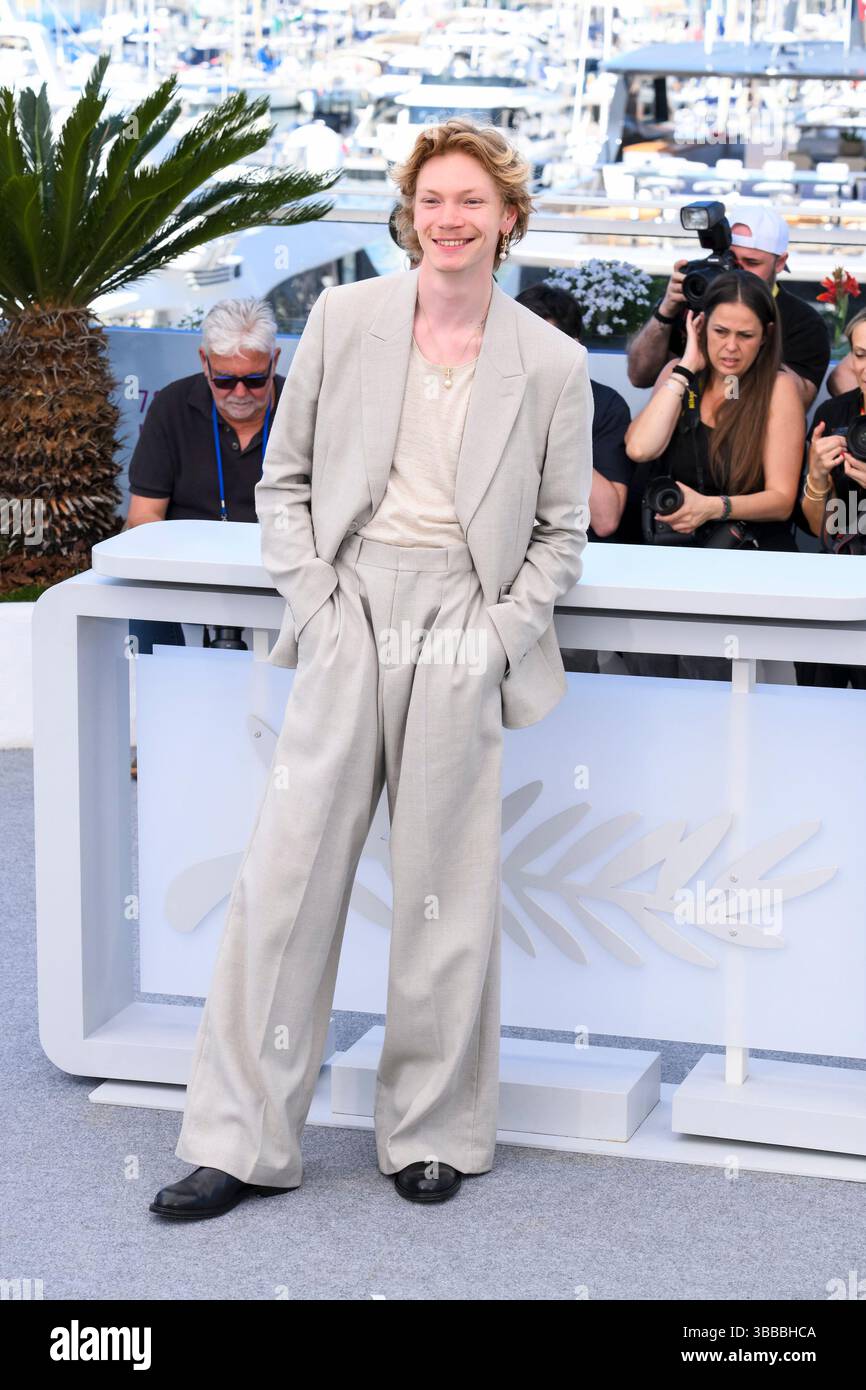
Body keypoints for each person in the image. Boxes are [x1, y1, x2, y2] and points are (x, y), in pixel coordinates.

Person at [149, 117, 594, 1219]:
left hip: (461, 614)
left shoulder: (545, 360)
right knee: (284, 879)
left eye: (470, 203)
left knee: (446, 885)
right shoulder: (344, 321)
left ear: (506, 219)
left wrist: (491, 639)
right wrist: (319, 600)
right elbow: (283, 485)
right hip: (350, 605)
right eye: (432, 200)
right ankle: (237, 1139)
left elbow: (559, 535)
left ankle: (432, 1130)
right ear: (409, 212)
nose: (448, 220)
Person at [621, 270, 804, 679]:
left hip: (744, 564)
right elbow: (640, 448)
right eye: (720, 331)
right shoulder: (680, 376)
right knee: (651, 680)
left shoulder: (778, 389)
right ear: (699, 326)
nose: (731, 348)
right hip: (672, 565)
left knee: (715, 684)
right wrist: (686, 366)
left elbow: (780, 500)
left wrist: (712, 508)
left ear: (766, 336)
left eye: (746, 335)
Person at [124, 296, 285, 655]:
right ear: (204, 362)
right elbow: (143, 517)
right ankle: (163, 686)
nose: (240, 393)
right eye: (225, 381)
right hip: (187, 574)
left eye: (256, 380)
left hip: (283, 570)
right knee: (144, 594)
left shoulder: (305, 407)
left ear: (274, 362)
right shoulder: (172, 405)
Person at [516, 279, 632, 673]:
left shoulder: (605, 404)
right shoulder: (484, 396)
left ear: (575, 349)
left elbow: (605, 517)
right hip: (500, 567)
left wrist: (556, 416)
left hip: (575, 571)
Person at [626, 205, 830, 411]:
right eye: (730, 259)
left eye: (751, 262)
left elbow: (797, 403)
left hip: (751, 435)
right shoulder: (696, 297)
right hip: (681, 428)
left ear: (780, 262)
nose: (737, 270)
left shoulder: (804, 322)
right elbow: (639, 376)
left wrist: (749, 343)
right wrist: (666, 311)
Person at [796, 306, 866, 689]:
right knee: (819, 688)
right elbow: (817, 525)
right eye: (861, 354)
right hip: (843, 569)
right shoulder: (834, 412)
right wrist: (818, 476)